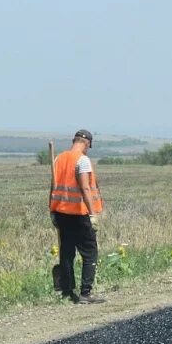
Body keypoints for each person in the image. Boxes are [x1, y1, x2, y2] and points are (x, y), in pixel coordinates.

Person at [49, 129, 105, 304]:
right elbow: (85, 188)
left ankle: (67, 291)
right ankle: (85, 293)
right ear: (87, 143)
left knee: (66, 253)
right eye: (89, 146)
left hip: (60, 213)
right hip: (79, 214)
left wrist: (51, 210)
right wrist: (93, 214)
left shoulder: (59, 159)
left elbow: (52, 186)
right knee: (90, 253)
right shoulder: (83, 160)